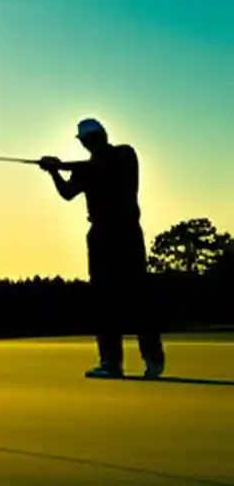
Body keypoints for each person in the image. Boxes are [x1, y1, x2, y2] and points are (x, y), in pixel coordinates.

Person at [39, 118, 165, 379]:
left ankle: (151, 359)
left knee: (135, 294)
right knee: (104, 299)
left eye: (91, 139)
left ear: (101, 137)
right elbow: (67, 193)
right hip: (102, 234)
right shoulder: (86, 169)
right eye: (87, 140)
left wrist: (61, 164)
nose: (89, 144)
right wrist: (54, 172)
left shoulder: (124, 154)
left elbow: (103, 167)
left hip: (125, 231)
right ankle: (111, 362)